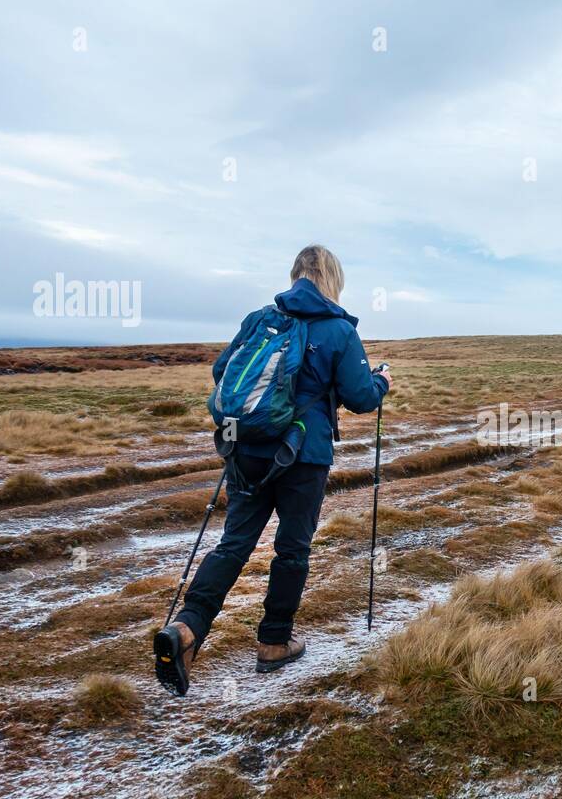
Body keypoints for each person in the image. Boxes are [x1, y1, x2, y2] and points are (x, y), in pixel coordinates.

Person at [154, 245, 392, 695]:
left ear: (296, 275)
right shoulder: (339, 330)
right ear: (333, 279)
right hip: (303, 456)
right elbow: (362, 397)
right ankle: (273, 642)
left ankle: (186, 629)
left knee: (234, 544)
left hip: (246, 451)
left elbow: (222, 371)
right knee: (291, 549)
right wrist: (382, 381)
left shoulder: (259, 318)